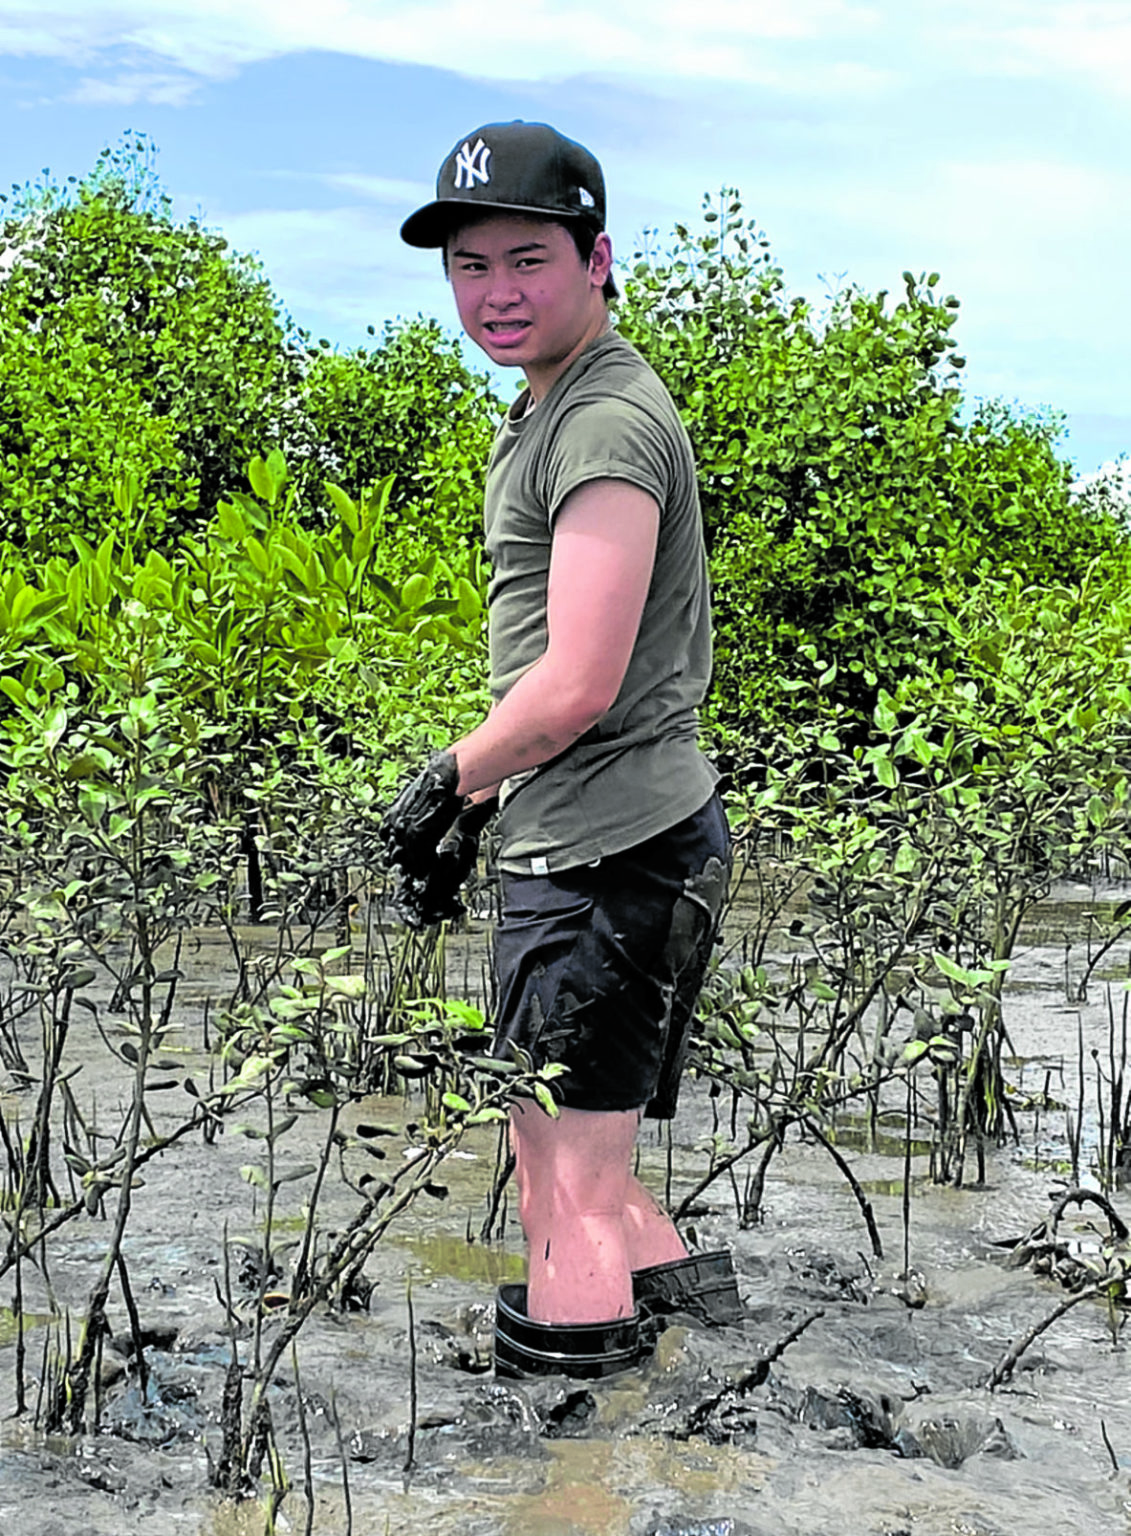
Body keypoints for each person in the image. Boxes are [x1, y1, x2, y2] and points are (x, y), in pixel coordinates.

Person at [382, 121, 741, 1378]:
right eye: (470, 267)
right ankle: (715, 1393)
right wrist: (484, 812)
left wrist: (444, 785)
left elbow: (580, 682)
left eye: (527, 258)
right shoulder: (556, 408)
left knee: (560, 1190)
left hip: (608, 853)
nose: (498, 292)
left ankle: (569, 1478)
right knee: (591, 1166)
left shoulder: (600, 427)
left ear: (598, 259)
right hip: (612, 836)